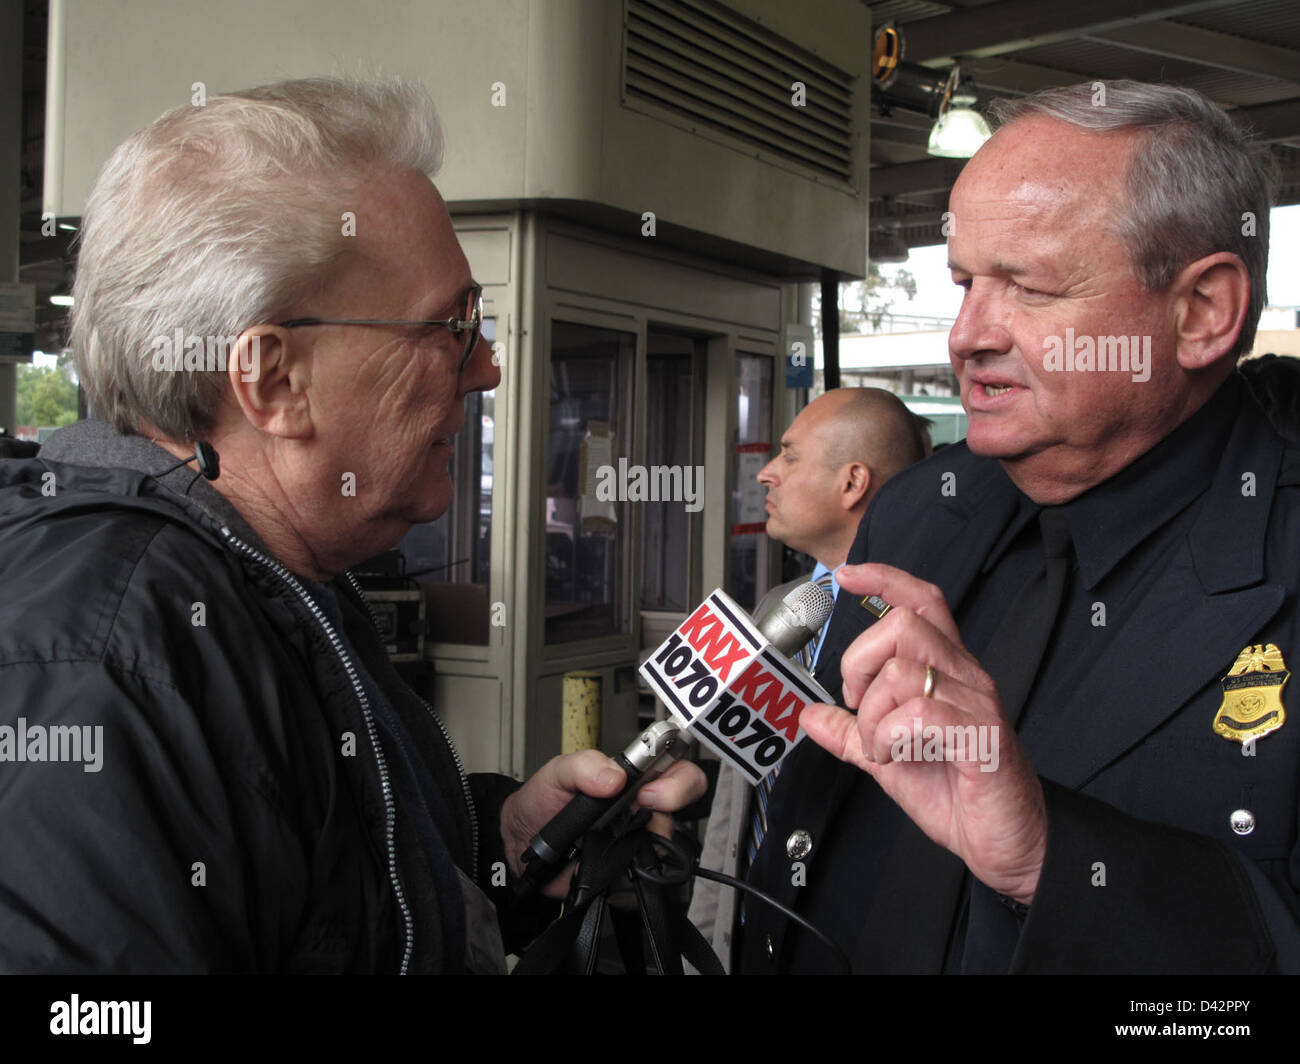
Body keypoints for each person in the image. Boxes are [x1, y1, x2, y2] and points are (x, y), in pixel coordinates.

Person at [0, 77, 702, 974]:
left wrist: (501, 844)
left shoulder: (269, 585)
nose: (485, 368)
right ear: (274, 382)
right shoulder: (101, 663)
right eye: (451, 327)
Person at [742, 79, 1300, 973]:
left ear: (1200, 312)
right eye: (964, 281)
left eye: (1027, 287)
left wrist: (1055, 861)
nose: (965, 335)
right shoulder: (918, 511)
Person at [688, 387, 925, 970]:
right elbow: (735, 803)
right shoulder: (781, 604)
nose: (766, 473)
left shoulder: (918, 626)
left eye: (790, 456)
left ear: (852, 482)